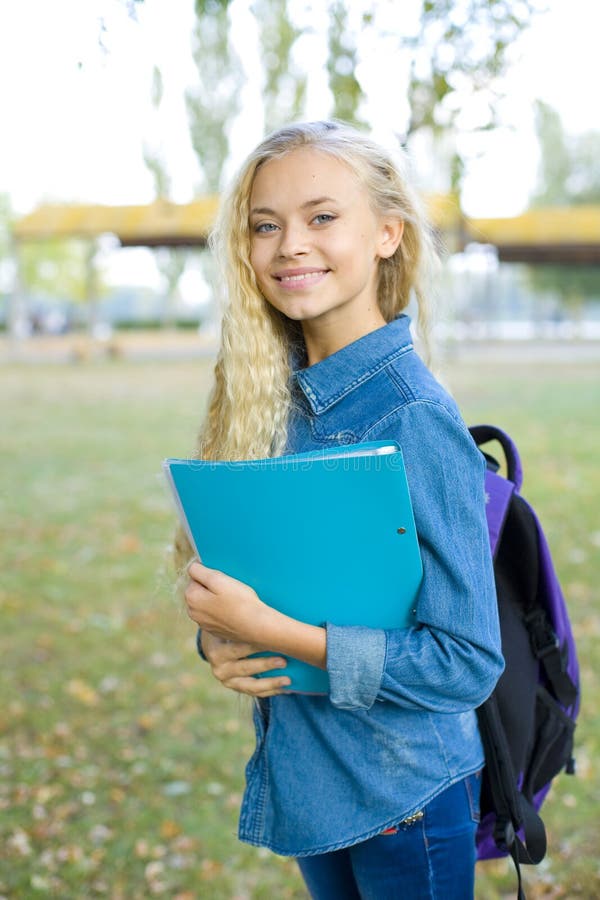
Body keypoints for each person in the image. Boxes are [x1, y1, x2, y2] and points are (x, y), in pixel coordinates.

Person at [176, 120, 504, 899]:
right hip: (316, 785)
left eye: (322, 217)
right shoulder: (266, 402)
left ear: (387, 234)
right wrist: (221, 644)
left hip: (406, 800)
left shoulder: (413, 416)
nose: (291, 243)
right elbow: (271, 589)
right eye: (266, 224)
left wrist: (277, 635)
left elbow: (466, 663)